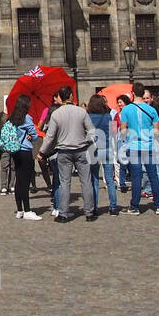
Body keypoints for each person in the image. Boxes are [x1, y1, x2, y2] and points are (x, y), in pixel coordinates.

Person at [38, 87, 97, 222]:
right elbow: (92, 131)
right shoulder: (81, 111)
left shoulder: (56, 114)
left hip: (64, 151)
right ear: (71, 96)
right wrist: (87, 142)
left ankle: (63, 214)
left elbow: (50, 137)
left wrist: (42, 152)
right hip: (81, 150)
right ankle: (89, 213)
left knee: (64, 183)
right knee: (86, 181)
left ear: (60, 97)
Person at [117, 94, 159, 214]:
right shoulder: (151, 109)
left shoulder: (126, 109)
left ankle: (134, 206)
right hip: (148, 146)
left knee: (136, 177)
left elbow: (123, 130)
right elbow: (157, 131)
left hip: (133, 146)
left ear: (133, 93)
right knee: (153, 176)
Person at [1, 97, 41, 219]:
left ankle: (20, 210)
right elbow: (35, 135)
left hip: (15, 151)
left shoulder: (12, 117)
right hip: (25, 151)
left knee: (18, 181)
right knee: (25, 181)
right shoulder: (26, 118)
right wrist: (30, 136)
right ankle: (27, 210)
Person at [87, 93, 119, 215]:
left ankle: (95, 207)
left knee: (94, 179)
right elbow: (113, 132)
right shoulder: (108, 116)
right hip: (106, 148)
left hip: (93, 149)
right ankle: (113, 207)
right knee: (110, 179)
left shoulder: (88, 117)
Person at [0, 101, 15, 196]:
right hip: (3, 145)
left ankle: (11, 185)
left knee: (13, 166)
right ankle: (4, 186)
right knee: (4, 166)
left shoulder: (15, 116)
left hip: (14, 145)